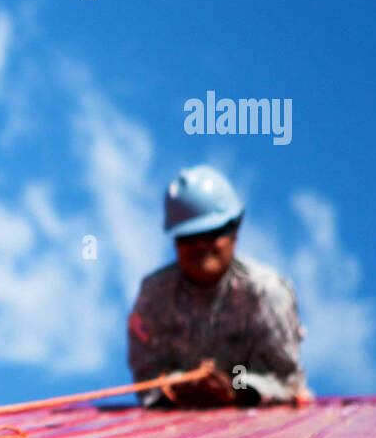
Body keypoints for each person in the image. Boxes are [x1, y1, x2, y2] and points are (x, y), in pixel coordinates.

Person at [127, 164, 310, 408]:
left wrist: (236, 390)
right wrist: (178, 386)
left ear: (235, 229)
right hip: (174, 428)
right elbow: (146, 375)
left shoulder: (267, 293)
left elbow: (285, 378)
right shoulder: (154, 295)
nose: (201, 245)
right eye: (189, 236)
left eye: (213, 232)